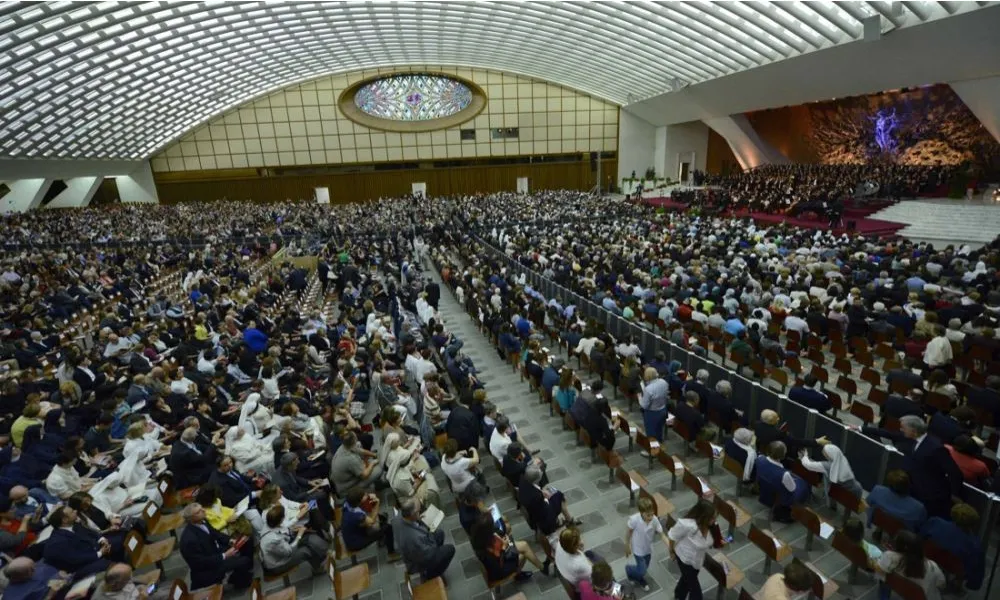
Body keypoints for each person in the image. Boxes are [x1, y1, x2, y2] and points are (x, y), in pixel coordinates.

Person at [859, 415, 962, 518]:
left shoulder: (936, 447)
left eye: (903, 428)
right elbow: (889, 434)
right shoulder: (910, 437)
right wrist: (861, 428)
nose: (901, 430)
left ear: (913, 430)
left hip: (929, 492)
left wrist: (954, 494)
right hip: (912, 484)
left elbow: (955, 472)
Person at [179, 502, 253, 590]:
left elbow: (215, 533)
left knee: (247, 542)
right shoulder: (189, 540)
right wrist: (225, 555)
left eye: (202, 508)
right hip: (208, 567)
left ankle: (241, 575)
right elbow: (201, 563)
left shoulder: (203, 520)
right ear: (191, 518)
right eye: (199, 511)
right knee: (243, 561)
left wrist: (230, 540)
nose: (204, 511)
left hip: (214, 551)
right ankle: (240, 582)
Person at [919, 503, 984, 591]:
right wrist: (973, 585)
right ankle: (957, 585)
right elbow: (975, 570)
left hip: (929, 557)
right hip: (954, 569)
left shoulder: (935, 522)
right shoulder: (975, 545)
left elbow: (920, 537)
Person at [469, 510, 547, 583]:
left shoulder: (479, 535)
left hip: (500, 551)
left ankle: (542, 567)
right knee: (523, 554)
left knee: (524, 545)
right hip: (500, 568)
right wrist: (503, 548)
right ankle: (539, 569)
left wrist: (503, 540)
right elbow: (498, 567)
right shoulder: (485, 552)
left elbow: (497, 531)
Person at [393, 497, 455, 581]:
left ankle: (436, 565)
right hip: (420, 561)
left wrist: (418, 520)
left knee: (440, 533)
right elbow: (430, 553)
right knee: (450, 549)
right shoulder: (414, 538)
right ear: (413, 514)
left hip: (418, 548)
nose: (421, 512)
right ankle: (431, 575)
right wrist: (428, 529)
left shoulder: (399, 516)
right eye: (419, 511)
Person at [668, 499, 718, 600]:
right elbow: (672, 535)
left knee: (685, 582)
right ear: (703, 517)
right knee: (696, 592)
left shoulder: (711, 526)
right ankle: (679, 595)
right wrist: (671, 551)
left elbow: (711, 542)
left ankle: (678, 595)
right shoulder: (687, 525)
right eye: (711, 518)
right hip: (684, 559)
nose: (714, 520)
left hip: (697, 562)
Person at [42, 505, 111, 576]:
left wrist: (102, 540)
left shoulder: (74, 524)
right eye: (72, 512)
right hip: (81, 566)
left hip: (96, 550)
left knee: (118, 542)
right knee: (109, 565)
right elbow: (75, 559)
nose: (76, 511)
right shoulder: (58, 542)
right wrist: (100, 553)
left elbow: (92, 533)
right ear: (65, 519)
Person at [876, 530, 945, 600]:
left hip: (901, 590)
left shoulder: (889, 557)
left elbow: (880, 571)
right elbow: (941, 584)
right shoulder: (933, 566)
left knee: (884, 576)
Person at [259, 504, 326, 575]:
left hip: (280, 552)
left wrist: (293, 531)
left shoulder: (269, 524)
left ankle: (323, 555)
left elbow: (282, 530)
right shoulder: (274, 540)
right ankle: (318, 568)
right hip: (276, 565)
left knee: (308, 538)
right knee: (305, 551)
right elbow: (289, 551)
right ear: (281, 519)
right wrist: (299, 535)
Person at [755, 441, 809, 523]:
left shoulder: (760, 459)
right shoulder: (784, 474)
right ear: (783, 455)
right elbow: (792, 489)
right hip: (781, 497)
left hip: (765, 490)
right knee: (804, 485)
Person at [624, 496, 669, 591]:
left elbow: (662, 535)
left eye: (652, 514)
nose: (651, 517)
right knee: (642, 570)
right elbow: (629, 532)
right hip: (638, 549)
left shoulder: (654, 520)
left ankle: (635, 576)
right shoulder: (635, 520)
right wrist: (627, 545)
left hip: (648, 549)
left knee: (644, 568)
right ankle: (629, 569)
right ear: (641, 513)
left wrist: (671, 546)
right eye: (648, 515)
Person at [518, 464, 577, 538]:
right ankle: (569, 520)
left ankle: (568, 519)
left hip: (533, 509)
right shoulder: (536, 496)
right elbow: (545, 508)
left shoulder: (523, 478)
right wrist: (546, 498)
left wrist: (542, 493)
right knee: (560, 495)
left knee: (555, 493)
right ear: (537, 480)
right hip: (543, 516)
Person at [340, 488, 395, 555]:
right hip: (355, 542)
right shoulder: (356, 515)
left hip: (353, 531)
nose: (366, 494)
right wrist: (377, 503)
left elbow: (361, 500)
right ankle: (391, 554)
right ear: (358, 501)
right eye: (364, 495)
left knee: (381, 518)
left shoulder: (348, 502)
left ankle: (381, 538)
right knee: (388, 528)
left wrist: (369, 496)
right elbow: (371, 522)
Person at [329, 431, 381, 496]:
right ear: (354, 441)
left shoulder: (343, 446)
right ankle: (366, 489)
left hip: (340, 482)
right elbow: (365, 475)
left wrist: (373, 454)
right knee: (379, 468)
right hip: (347, 488)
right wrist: (372, 463)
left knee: (360, 446)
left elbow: (359, 450)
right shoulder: (350, 459)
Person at [92, 563, 170, 600]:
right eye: (128, 579)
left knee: (169, 592)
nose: (131, 580)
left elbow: (135, 584)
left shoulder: (114, 580)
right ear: (116, 585)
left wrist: (143, 588)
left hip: (143, 594)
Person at [1, 557, 65, 600]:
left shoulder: (34, 567)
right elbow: (48, 597)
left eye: (34, 565)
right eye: (32, 569)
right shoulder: (14, 597)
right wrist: (58, 582)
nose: (36, 568)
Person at [639, 367, 669, 450]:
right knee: (659, 430)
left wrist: (640, 398)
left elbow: (644, 405)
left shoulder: (648, 389)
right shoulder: (664, 382)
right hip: (662, 410)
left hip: (651, 413)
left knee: (651, 433)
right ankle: (659, 444)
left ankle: (652, 450)